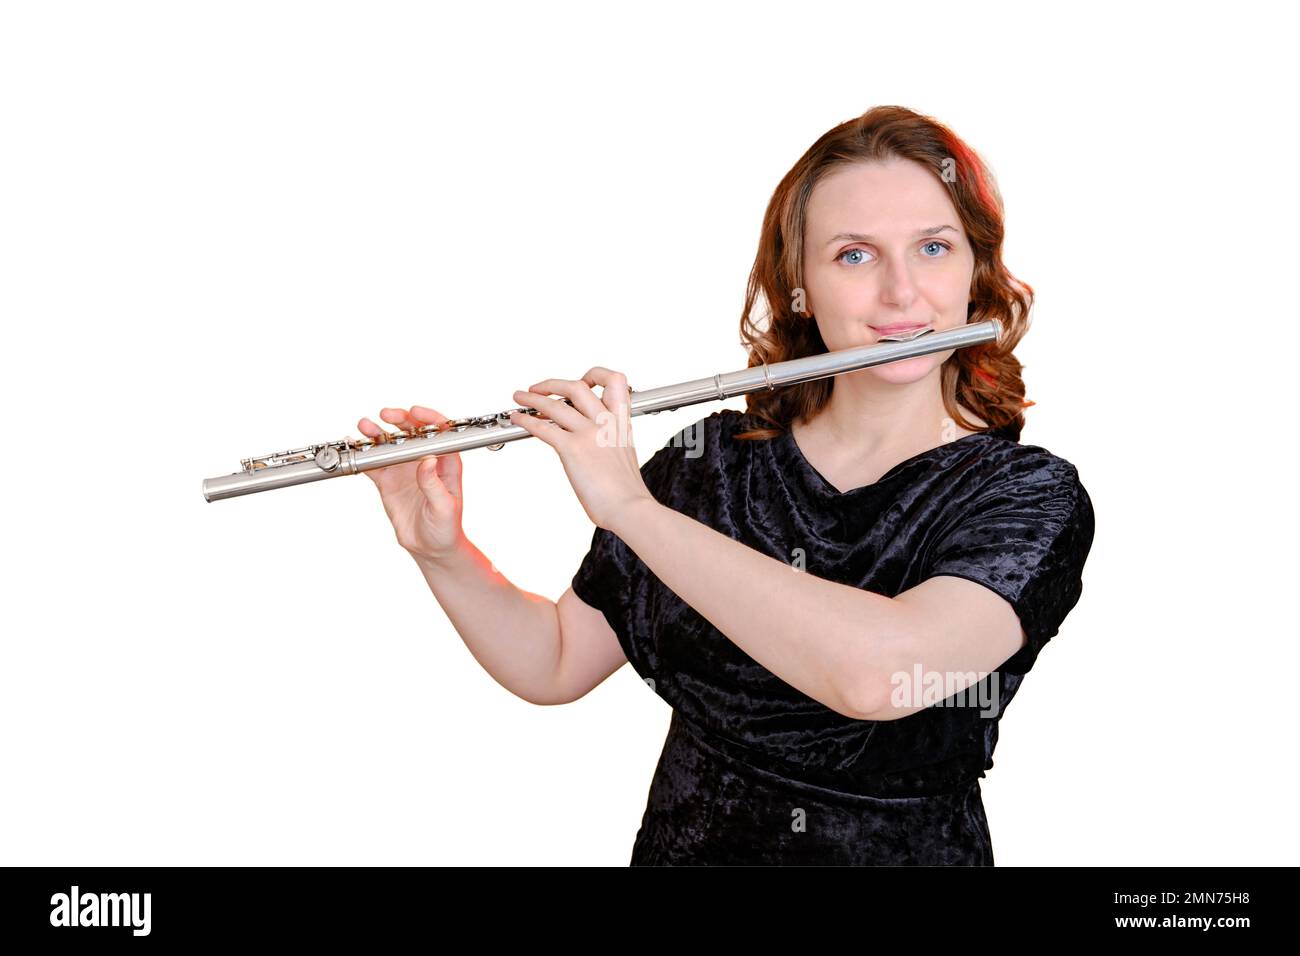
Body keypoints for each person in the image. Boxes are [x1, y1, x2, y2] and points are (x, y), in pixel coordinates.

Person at [354, 105, 1095, 866]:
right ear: (798, 284)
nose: (903, 293)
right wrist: (443, 552)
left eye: (933, 248)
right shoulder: (711, 461)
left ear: (975, 271)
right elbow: (554, 661)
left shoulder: (1027, 498)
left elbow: (878, 678)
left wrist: (630, 509)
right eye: (854, 256)